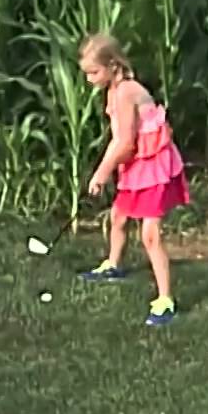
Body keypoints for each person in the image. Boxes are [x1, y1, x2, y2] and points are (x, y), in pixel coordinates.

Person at [76, 33, 191, 326]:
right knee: (118, 217)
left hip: (153, 168)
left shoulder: (127, 91)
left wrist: (101, 173)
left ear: (113, 66)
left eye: (93, 72)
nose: (89, 79)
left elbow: (125, 142)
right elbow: (121, 140)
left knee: (150, 235)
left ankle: (165, 299)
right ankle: (113, 265)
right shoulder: (113, 91)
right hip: (139, 164)